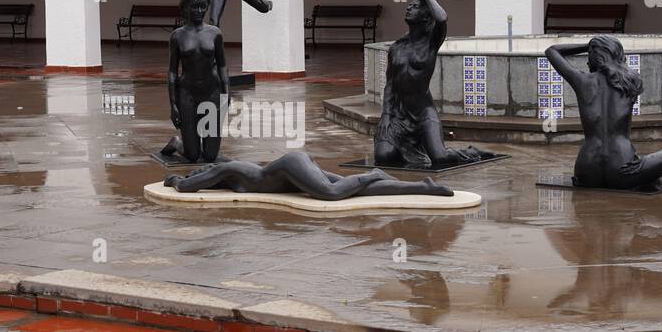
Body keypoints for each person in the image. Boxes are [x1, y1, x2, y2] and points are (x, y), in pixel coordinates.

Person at [544, 35, 662, 190]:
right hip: (623, 169)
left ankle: (646, 175)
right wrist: (595, 46)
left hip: (586, 172)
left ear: (597, 55)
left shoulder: (582, 81)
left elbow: (552, 51)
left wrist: (588, 45)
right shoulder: (631, 80)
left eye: (589, 55)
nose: (586, 61)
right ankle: (647, 175)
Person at [374, 0, 489, 169]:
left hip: (423, 113)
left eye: (414, 6)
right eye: (409, 5)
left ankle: (471, 152)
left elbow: (442, 18)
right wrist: (386, 115)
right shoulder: (396, 47)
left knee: (440, 158)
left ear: (426, 16)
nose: (408, 8)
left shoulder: (431, 43)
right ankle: (415, 147)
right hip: (398, 114)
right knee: (383, 156)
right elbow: (390, 84)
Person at [165, 150, 454, 201]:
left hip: (291, 166)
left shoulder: (224, 169)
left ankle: (372, 173)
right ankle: (423, 187)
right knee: (351, 190)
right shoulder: (230, 175)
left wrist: (177, 181)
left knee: (331, 194)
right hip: (292, 173)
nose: (203, 172)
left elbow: (190, 186)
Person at [160, 0, 229, 163]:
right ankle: (177, 143)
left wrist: (226, 94)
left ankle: (191, 142)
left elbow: (222, 65)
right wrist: (173, 104)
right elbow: (173, 72)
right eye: (194, 6)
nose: (199, 11)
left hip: (211, 93)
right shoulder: (177, 36)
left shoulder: (215, 33)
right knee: (192, 155)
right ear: (185, 8)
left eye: (203, 6)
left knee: (210, 155)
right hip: (187, 94)